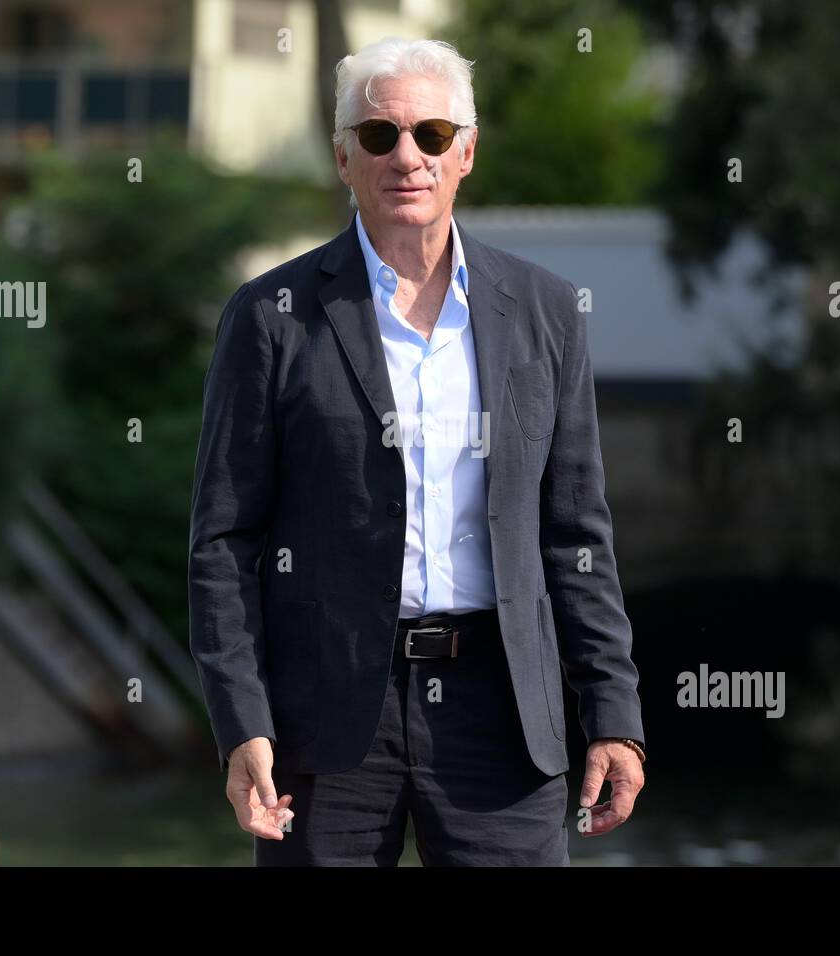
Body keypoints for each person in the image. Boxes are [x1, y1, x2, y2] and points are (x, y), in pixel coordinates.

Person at [188, 36, 644, 866]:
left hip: (502, 717)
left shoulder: (544, 311)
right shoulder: (273, 315)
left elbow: (577, 535)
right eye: (379, 135)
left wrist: (612, 714)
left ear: (466, 153)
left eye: (432, 135)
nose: (408, 156)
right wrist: (241, 721)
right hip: (324, 722)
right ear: (342, 157)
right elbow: (224, 543)